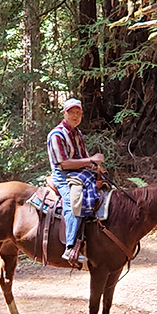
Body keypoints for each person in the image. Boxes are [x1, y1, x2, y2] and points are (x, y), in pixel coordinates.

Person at [47, 98, 105, 264]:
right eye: (71, 112)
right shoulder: (56, 135)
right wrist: (90, 160)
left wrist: (95, 166)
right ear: (64, 114)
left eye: (78, 113)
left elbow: (82, 158)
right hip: (62, 175)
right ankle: (70, 246)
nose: (75, 116)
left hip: (79, 173)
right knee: (74, 201)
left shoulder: (77, 134)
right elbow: (63, 163)